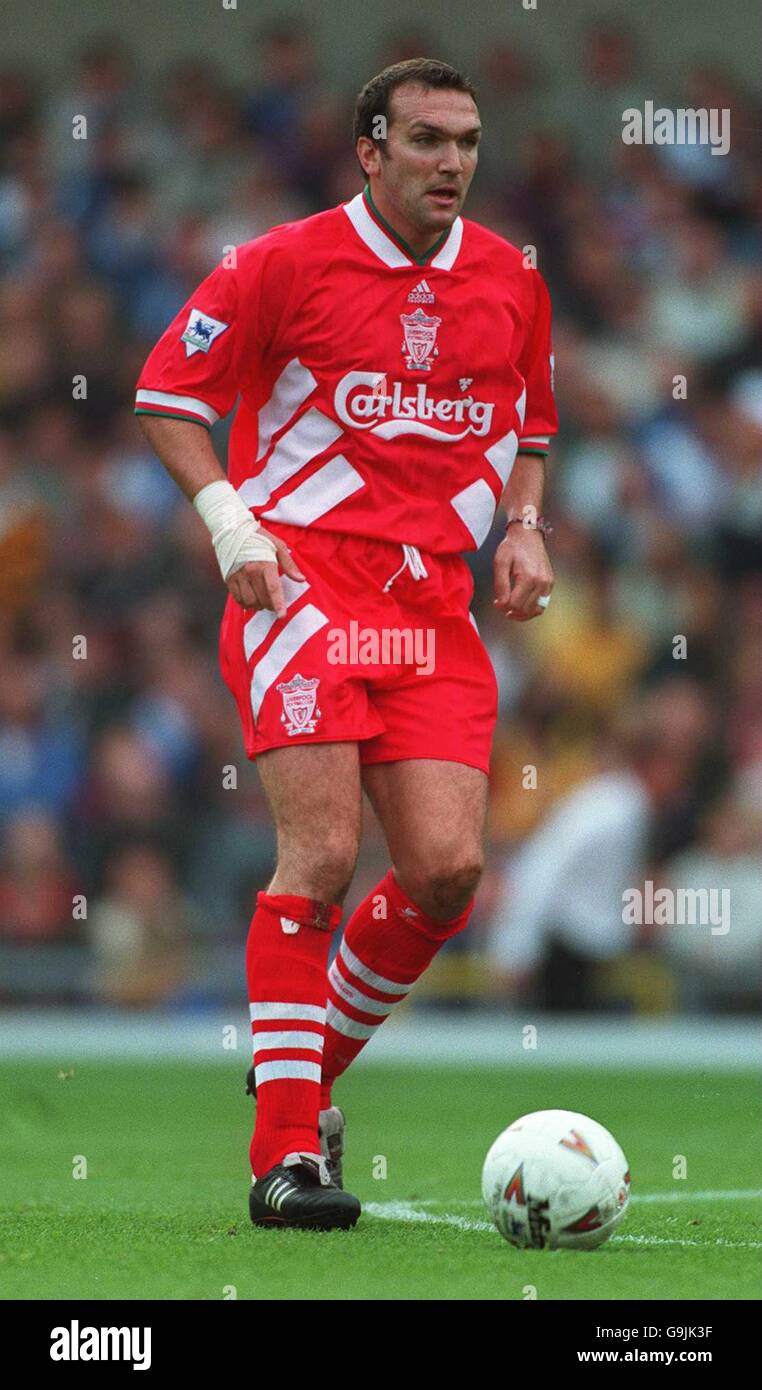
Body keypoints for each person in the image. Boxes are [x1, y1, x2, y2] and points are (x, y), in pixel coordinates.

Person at [135, 58, 557, 1230]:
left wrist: (523, 527)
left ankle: (297, 1076)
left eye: (467, 141)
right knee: (317, 858)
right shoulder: (279, 262)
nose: (454, 163)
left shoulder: (513, 278)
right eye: (427, 140)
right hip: (302, 590)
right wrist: (230, 526)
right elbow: (169, 393)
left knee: (446, 874)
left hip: (433, 610)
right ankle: (285, 1161)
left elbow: (530, 421)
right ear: (370, 150)